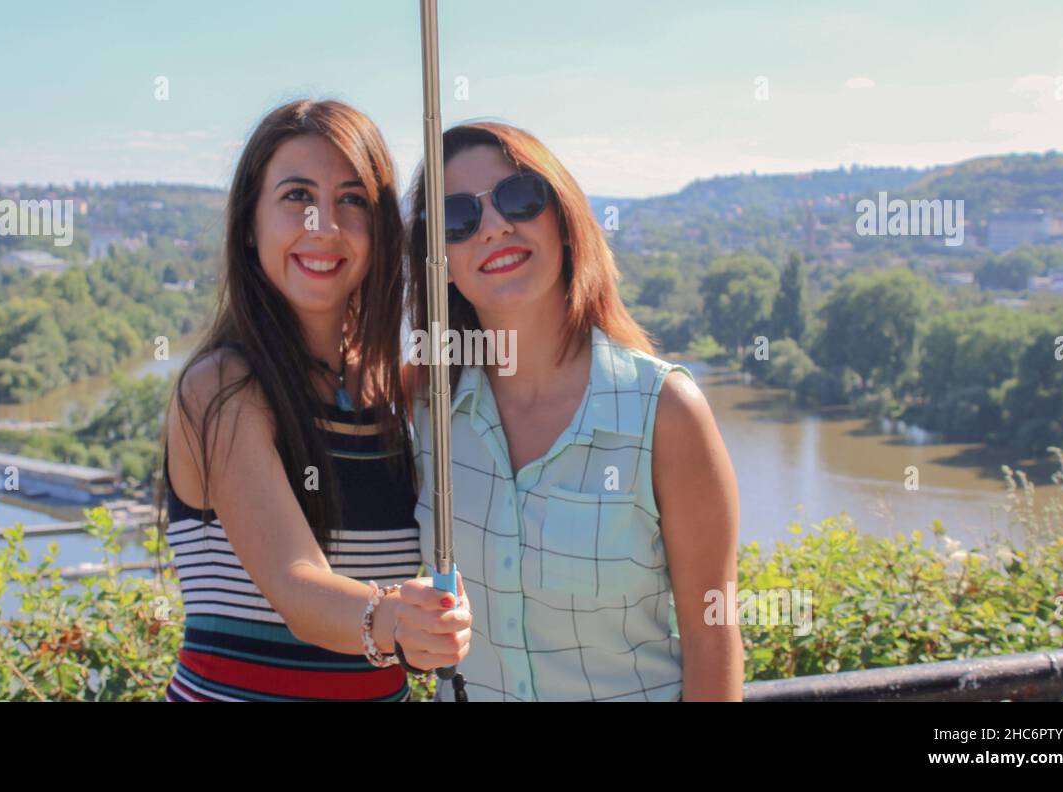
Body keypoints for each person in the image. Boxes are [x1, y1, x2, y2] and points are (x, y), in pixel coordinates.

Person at [405, 121, 742, 701]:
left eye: (518, 197)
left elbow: (713, 636)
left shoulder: (664, 412)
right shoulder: (423, 409)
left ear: (563, 220)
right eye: (458, 217)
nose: (494, 226)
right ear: (440, 261)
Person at [158, 99, 471, 701]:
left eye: (352, 200)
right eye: (297, 196)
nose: (322, 225)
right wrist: (400, 620)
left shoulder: (393, 392)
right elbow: (297, 586)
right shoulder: (223, 387)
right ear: (250, 226)